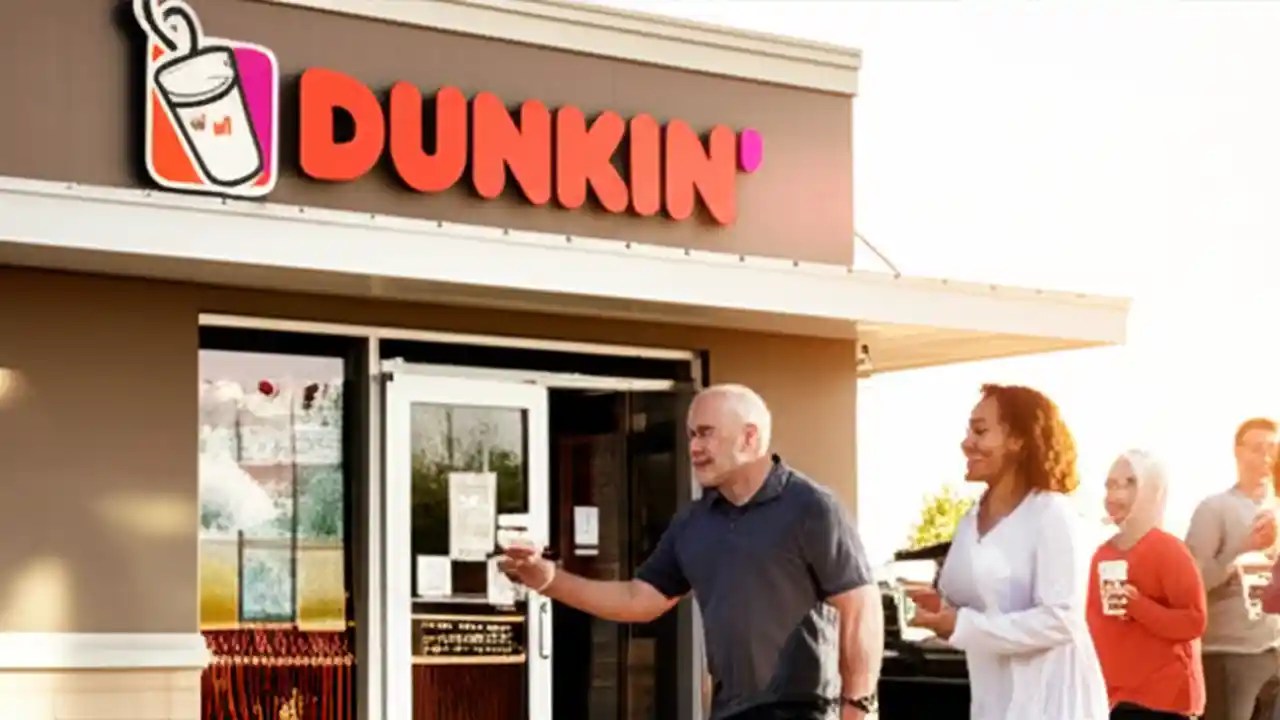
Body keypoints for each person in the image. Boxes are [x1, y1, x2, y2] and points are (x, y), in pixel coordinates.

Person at [498, 383, 884, 720]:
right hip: (730, 711)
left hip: (805, 711)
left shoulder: (811, 508)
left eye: (706, 434)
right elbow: (638, 599)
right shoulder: (693, 523)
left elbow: (860, 608)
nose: (694, 447)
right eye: (691, 435)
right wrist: (549, 580)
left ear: (749, 438)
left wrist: (858, 708)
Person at [907, 383, 1109, 720]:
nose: (966, 443)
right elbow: (971, 604)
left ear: (1018, 440)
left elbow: (1062, 619)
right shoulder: (970, 521)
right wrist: (940, 608)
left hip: (1052, 703)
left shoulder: (1051, 514)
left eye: (980, 431)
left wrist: (963, 626)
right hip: (994, 701)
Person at [1085, 449, 1206, 720]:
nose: (1116, 494)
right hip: (1115, 699)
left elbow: (1194, 622)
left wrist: (1138, 606)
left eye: (1129, 483)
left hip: (1164, 699)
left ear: (1152, 489)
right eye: (1110, 485)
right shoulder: (1102, 555)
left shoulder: (1169, 550)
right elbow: (1093, 624)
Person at [1184, 418, 1280, 720]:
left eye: (1273, 449)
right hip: (1227, 654)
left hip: (1274, 653)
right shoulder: (1214, 509)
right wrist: (1244, 547)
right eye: (1257, 448)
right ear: (1237, 452)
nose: (1266, 457)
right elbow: (1192, 583)